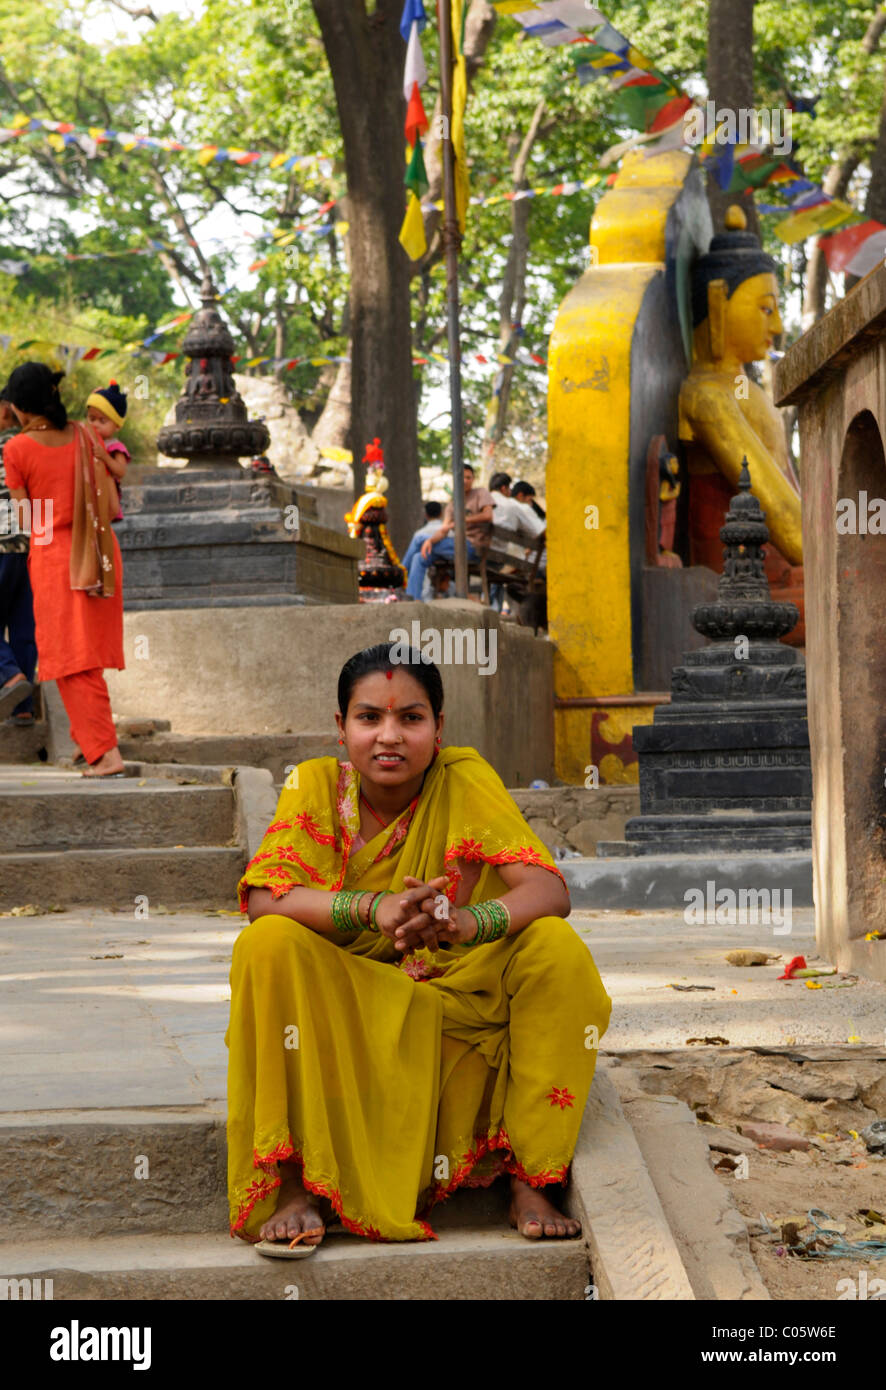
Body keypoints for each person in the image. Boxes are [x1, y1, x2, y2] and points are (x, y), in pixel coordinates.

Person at [228, 643, 611, 1251]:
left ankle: (529, 1175)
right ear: (340, 727)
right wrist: (371, 909)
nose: (390, 736)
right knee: (267, 944)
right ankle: (297, 1185)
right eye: (369, 718)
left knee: (555, 947)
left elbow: (548, 890)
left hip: (453, 990)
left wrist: (464, 922)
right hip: (351, 997)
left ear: (439, 729)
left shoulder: (463, 777)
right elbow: (263, 898)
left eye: (411, 718)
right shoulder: (316, 784)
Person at [2, 362, 127, 777]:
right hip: (100, 550)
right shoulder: (87, 434)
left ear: (20, 408)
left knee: (72, 659)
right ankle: (85, 740)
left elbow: (28, 520)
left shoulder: (17, 448)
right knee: (83, 655)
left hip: (58, 559)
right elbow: (110, 506)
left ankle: (106, 753)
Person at [0, 398, 37, 724]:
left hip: (0, 544)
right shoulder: (33, 445)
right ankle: (23, 709)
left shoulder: (6, 446)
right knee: (24, 627)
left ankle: (9, 675)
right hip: (30, 548)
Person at [405, 464, 493, 599]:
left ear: (473, 479)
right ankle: (413, 601)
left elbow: (488, 515)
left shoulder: (480, 493)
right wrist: (430, 540)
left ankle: (400, 575)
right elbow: (443, 530)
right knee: (418, 557)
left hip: (473, 546)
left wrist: (461, 521)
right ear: (456, 480)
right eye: (462, 477)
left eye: (468, 477)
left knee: (418, 539)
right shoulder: (452, 504)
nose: (465, 480)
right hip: (453, 548)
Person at [85, 381, 130, 521]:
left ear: (116, 426)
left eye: (102, 421)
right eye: (92, 419)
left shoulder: (115, 447)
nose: (95, 424)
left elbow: (121, 472)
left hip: (107, 498)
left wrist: (105, 457)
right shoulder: (87, 440)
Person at [400, 501, 444, 598]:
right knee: (416, 557)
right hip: (431, 559)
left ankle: (401, 571)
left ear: (426, 515)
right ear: (441, 514)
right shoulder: (447, 530)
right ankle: (401, 571)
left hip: (426, 567)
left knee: (418, 540)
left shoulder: (421, 533)